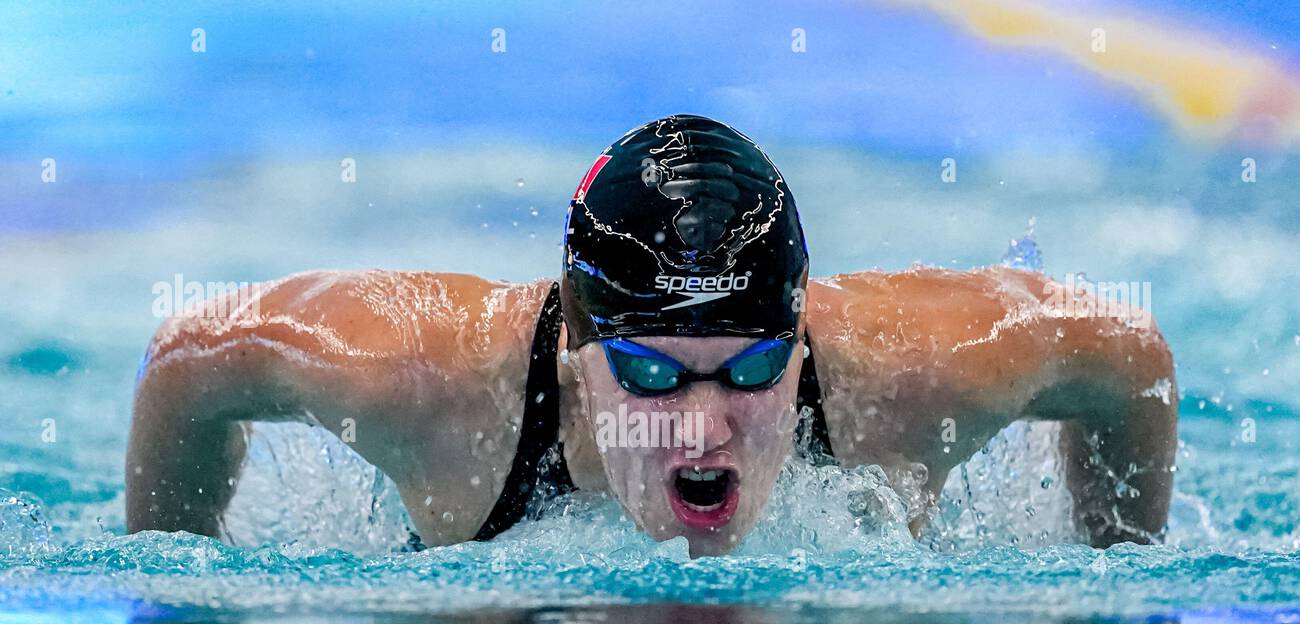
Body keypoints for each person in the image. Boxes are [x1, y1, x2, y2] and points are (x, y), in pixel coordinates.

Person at [126, 115, 1176, 558]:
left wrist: (1108, 587)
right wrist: (179, 591)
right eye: (650, 374)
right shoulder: (425, 380)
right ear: (581, 350)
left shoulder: (913, 377)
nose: (703, 431)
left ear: (801, 337)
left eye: (754, 370)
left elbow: (1128, 357)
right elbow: (189, 360)